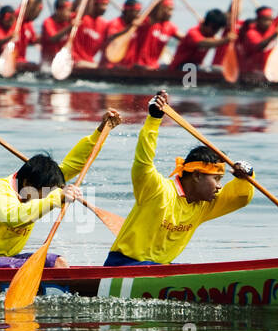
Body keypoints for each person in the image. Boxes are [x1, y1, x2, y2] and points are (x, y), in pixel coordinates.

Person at [0, 108, 122, 269]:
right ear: (26, 185)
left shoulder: (42, 180)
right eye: (44, 194)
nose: (46, 197)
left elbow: (74, 164)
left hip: (3, 258)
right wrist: (56, 198)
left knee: (59, 263)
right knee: (39, 267)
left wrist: (100, 132)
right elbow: (15, 217)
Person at [104, 91, 253, 266]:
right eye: (217, 179)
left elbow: (241, 198)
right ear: (197, 175)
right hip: (122, 265)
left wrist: (247, 175)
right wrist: (154, 119)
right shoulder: (157, 189)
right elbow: (143, 160)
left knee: (184, 269)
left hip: (159, 269)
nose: (220, 187)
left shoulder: (205, 204)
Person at [169, 8, 234, 71]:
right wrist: (224, 40)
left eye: (218, 29)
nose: (215, 32)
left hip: (194, 68)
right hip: (180, 68)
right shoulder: (192, 33)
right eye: (214, 28)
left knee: (219, 69)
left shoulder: (211, 37)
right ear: (206, 24)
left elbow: (218, 41)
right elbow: (202, 43)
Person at [131, 0, 179, 68]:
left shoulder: (170, 27)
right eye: (168, 9)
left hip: (154, 66)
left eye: (172, 10)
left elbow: (186, 38)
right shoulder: (146, 22)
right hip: (138, 65)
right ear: (161, 8)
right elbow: (150, 12)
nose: (171, 13)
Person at [71, 0, 111, 66]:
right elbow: (72, 8)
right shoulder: (80, 18)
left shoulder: (105, 24)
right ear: (94, 4)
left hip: (89, 63)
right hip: (74, 61)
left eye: (106, 5)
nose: (105, 8)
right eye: (103, 4)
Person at [236, 5, 278, 74]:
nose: (269, 23)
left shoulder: (273, 28)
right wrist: (274, 35)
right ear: (258, 20)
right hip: (251, 72)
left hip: (268, 70)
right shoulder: (251, 33)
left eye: (270, 19)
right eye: (266, 20)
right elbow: (259, 46)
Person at [100, 0, 141, 66]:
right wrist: (129, 28)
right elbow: (111, 38)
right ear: (128, 11)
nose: (137, 15)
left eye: (139, 12)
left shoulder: (137, 27)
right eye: (135, 11)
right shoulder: (115, 23)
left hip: (127, 67)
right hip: (110, 67)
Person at [39, 0, 74, 65]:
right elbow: (53, 38)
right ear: (58, 10)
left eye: (70, 11)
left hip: (65, 62)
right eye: (67, 11)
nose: (70, 14)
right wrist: (70, 27)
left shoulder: (69, 19)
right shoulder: (48, 22)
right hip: (49, 64)